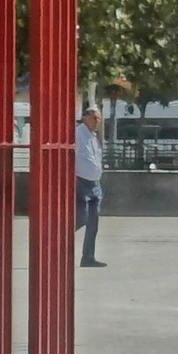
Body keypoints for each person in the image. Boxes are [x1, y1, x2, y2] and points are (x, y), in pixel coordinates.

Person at [74, 106, 105, 268]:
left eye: (99, 119)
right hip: (81, 181)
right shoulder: (78, 133)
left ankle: (88, 257)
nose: (97, 122)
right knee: (82, 217)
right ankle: (57, 241)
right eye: (94, 118)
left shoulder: (93, 137)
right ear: (85, 117)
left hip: (95, 183)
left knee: (93, 223)